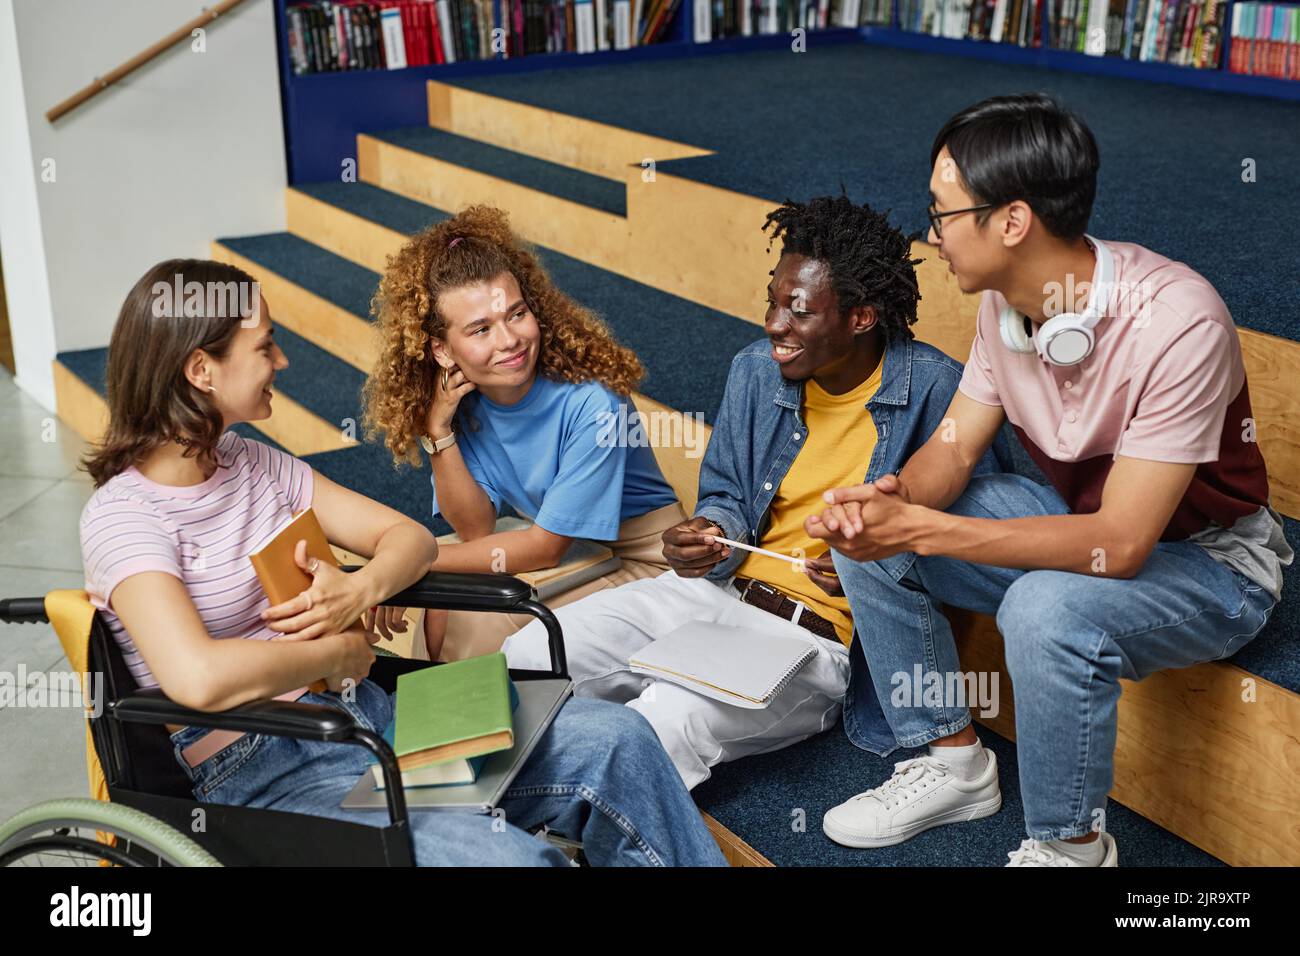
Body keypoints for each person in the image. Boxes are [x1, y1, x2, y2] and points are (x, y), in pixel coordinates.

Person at [78, 258, 727, 867]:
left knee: (620, 741)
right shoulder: (125, 518)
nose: (282, 359)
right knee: (514, 859)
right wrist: (333, 656)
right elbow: (197, 679)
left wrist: (357, 595)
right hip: (265, 768)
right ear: (201, 370)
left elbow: (409, 537)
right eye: (265, 346)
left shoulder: (252, 462)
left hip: (376, 716)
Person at [814, 93, 1293, 866]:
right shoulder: (1004, 306)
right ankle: (951, 761)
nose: (930, 235)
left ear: (1011, 222)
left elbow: (1122, 544)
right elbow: (954, 450)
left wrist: (930, 529)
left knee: (1042, 609)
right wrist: (890, 501)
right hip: (1080, 529)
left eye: (941, 214)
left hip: (1212, 565)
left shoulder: (1179, 322)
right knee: (870, 530)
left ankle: (1070, 848)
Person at [505, 195, 1005, 790]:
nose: (774, 324)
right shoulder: (756, 370)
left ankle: (539, 832)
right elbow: (728, 497)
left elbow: (978, 538)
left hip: (813, 642)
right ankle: (469, 820)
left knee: (664, 719)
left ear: (861, 317)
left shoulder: (940, 392)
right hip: (717, 592)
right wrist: (712, 532)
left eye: (798, 310)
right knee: (530, 651)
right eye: (773, 300)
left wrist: (875, 564)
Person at [363, 206, 685, 662]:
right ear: (441, 349)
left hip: (644, 562)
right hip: (576, 549)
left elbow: (545, 548)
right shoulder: (465, 403)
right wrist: (437, 431)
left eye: (516, 314)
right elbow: (475, 527)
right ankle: (446, 719)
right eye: (480, 329)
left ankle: (473, 725)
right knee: (444, 598)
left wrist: (403, 566)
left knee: (472, 613)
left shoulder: (594, 402)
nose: (509, 340)